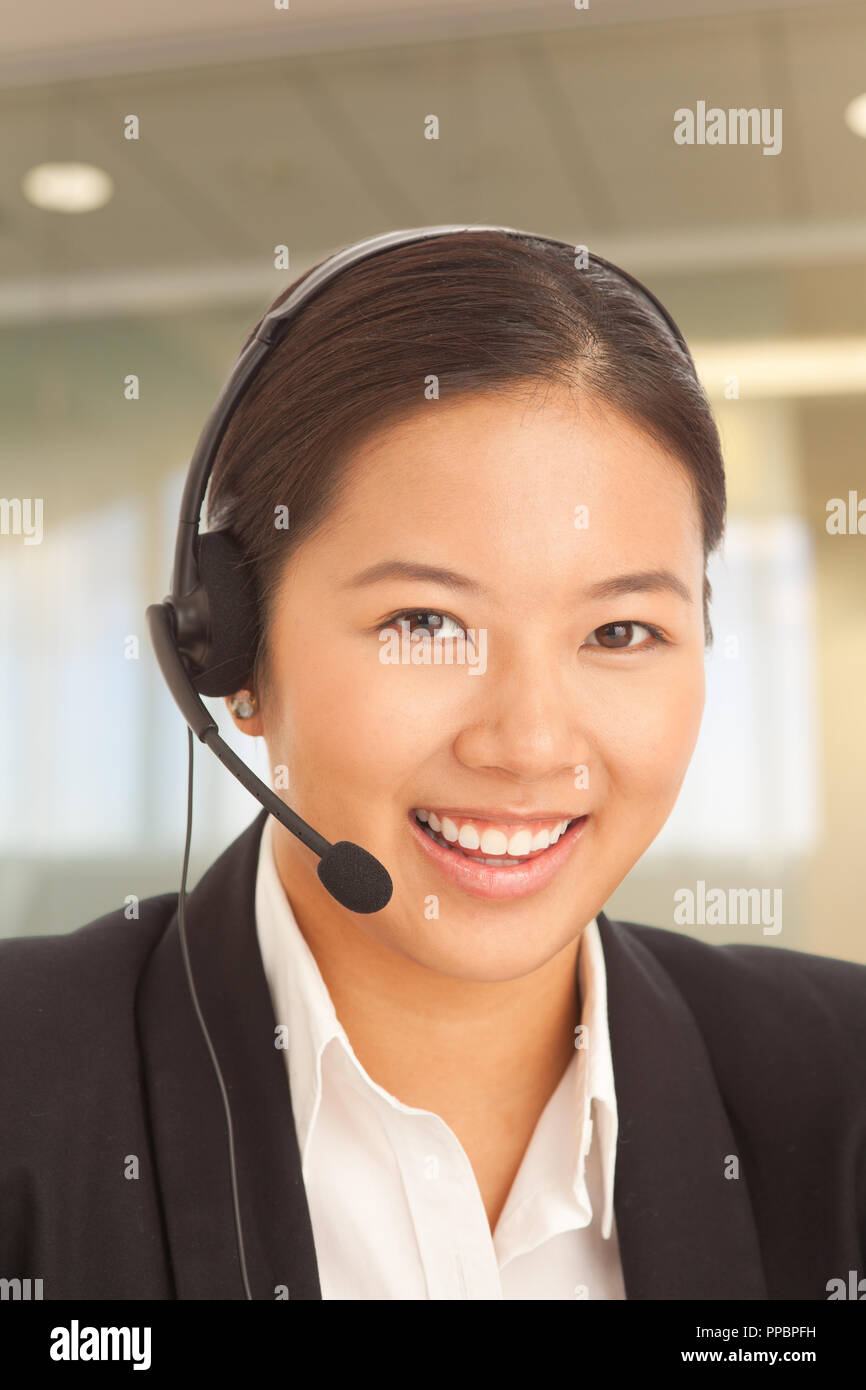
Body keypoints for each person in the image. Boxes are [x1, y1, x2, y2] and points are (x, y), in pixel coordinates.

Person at [1, 229, 864, 1302]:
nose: (530, 743)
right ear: (228, 649)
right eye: (424, 621)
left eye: (620, 631)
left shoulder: (840, 1087)